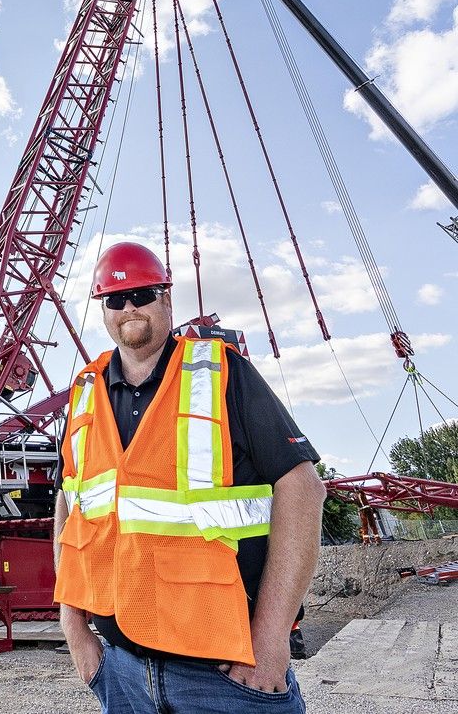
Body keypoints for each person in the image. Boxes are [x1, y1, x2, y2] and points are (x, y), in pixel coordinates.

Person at [54, 242, 326, 713]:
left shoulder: (222, 373)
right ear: (103, 310)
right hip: (122, 672)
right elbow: (70, 502)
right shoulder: (85, 392)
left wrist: (271, 638)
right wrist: (73, 627)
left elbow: (303, 489)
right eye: (115, 299)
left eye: (142, 294)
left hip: (224, 676)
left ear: (166, 299)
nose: (129, 307)